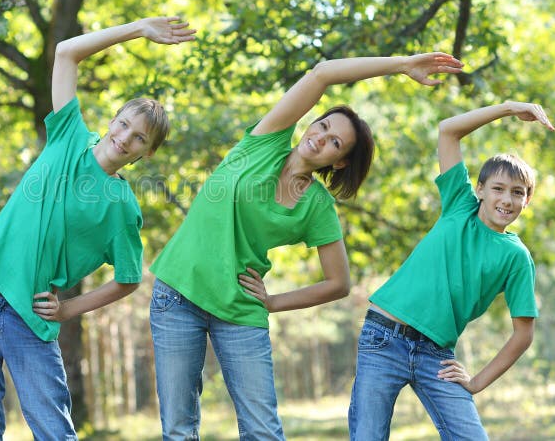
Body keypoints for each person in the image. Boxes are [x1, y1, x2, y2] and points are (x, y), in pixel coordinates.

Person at [149, 53, 464, 440]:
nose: (321, 138)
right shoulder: (266, 141)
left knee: (264, 432)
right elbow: (323, 74)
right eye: (324, 125)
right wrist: (401, 65)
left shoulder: (317, 206)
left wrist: (273, 301)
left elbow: (338, 283)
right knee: (179, 430)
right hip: (177, 296)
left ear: (340, 162)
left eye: (336, 143)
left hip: (240, 311)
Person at [0, 16, 196, 440]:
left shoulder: (122, 207)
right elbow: (66, 51)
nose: (125, 138)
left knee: (53, 431)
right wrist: (138, 28)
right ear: (112, 119)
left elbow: (128, 279)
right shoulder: (68, 135)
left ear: (148, 153)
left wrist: (67, 310)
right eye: (124, 124)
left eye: (140, 138)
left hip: (28, 311)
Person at [348, 101, 555, 440]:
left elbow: (523, 334)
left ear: (526, 201)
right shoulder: (459, 206)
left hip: (436, 356)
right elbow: (448, 130)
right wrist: (508, 108)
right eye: (498, 189)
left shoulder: (517, 258)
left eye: (517, 193)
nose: (506, 199)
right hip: (383, 337)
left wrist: (477, 382)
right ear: (480, 191)